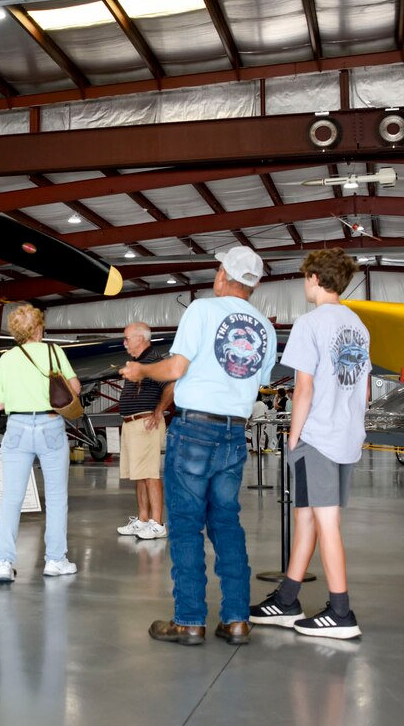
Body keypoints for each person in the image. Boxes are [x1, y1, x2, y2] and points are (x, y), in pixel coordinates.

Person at [121, 246, 276, 646]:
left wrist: (141, 369)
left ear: (224, 275)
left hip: (194, 430)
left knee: (187, 526)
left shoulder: (202, 310)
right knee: (227, 523)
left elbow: (175, 368)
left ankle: (190, 619)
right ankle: (237, 619)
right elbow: (258, 379)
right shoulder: (266, 327)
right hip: (233, 433)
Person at [250, 248, 370, 640]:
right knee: (307, 517)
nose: (304, 283)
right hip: (347, 436)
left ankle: (340, 611)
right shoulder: (358, 325)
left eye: (305, 277)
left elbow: (303, 388)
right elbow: (364, 388)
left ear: (316, 279)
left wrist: (294, 435)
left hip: (318, 437)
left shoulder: (310, 323)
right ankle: (287, 600)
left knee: (326, 522)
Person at [0, 303, 81, 582]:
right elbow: (75, 389)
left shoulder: (6, 358)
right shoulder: (55, 352)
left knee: (10, 500)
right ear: (39, 327)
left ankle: (4, 563)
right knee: (56, 497)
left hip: (17, 428)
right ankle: (55, 560)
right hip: (50, 426)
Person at [115, 322, 174, 540]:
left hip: (145, 423)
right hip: (132, 424)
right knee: (139, 475)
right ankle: (142, 519)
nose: (124, 342)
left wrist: (159, 410)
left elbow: (171, 385)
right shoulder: (138, 363)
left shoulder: (154, 361)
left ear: (141, 338)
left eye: (127, 338)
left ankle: (157, 523)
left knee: (149, 474)